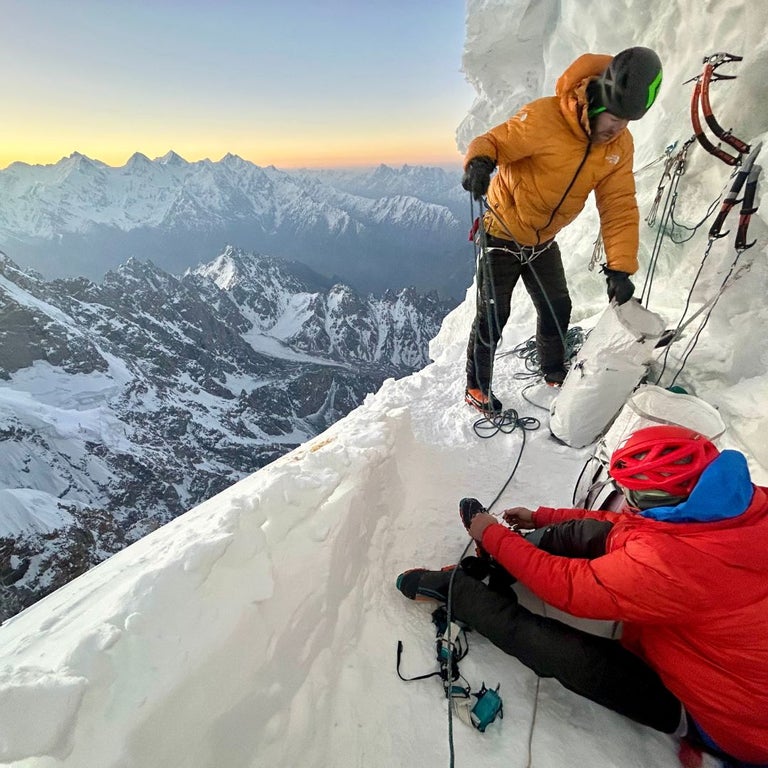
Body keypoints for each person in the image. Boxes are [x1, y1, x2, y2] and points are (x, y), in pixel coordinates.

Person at [396, 425, 768, 767]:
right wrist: (543, 518)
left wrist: (493, 534)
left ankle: (459, 591)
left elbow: (564, 585)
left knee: (566, 655)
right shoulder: (739, 506)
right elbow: (623, 527)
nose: (623, 501)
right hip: (706, 654)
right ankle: (500, 565)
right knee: (589, 533)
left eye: (629, 493)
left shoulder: (675, 563)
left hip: (724, 718)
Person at [462, 47, 663, 414]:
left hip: (542, 241)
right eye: (615, 117)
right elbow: (494, 142)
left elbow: (618, 205)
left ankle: (554, 370)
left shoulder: (618, 147)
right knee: (494, 313)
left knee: (557, 305)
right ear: (599, 99)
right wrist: (479, 162)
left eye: (628, 121)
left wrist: (620, 267)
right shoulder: (544, 119)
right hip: (502, 232)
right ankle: (477, 386)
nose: (618, 127)